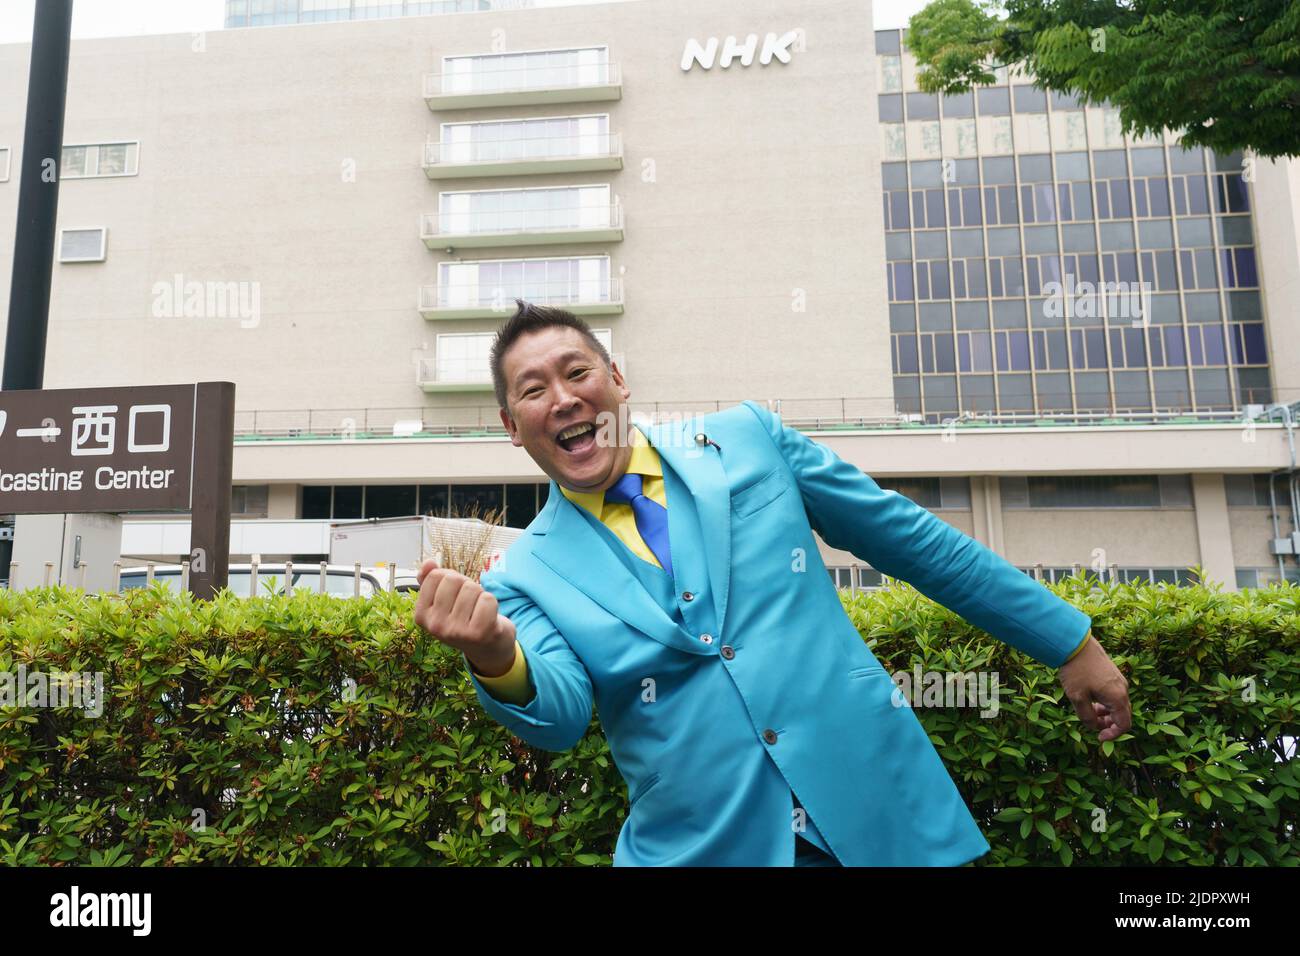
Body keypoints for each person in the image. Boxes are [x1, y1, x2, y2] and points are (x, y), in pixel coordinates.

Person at [412, 300, 1132, 866]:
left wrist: (1068, 642)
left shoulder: (747, 438)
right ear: (513, 426)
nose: (563, 399)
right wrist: (495, 656)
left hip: (875, 812)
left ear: (617, 381)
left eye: (577, 373)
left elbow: (909, 541)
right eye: (533, 392)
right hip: (702, 847)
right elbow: (562, 719)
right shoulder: (523, 575)